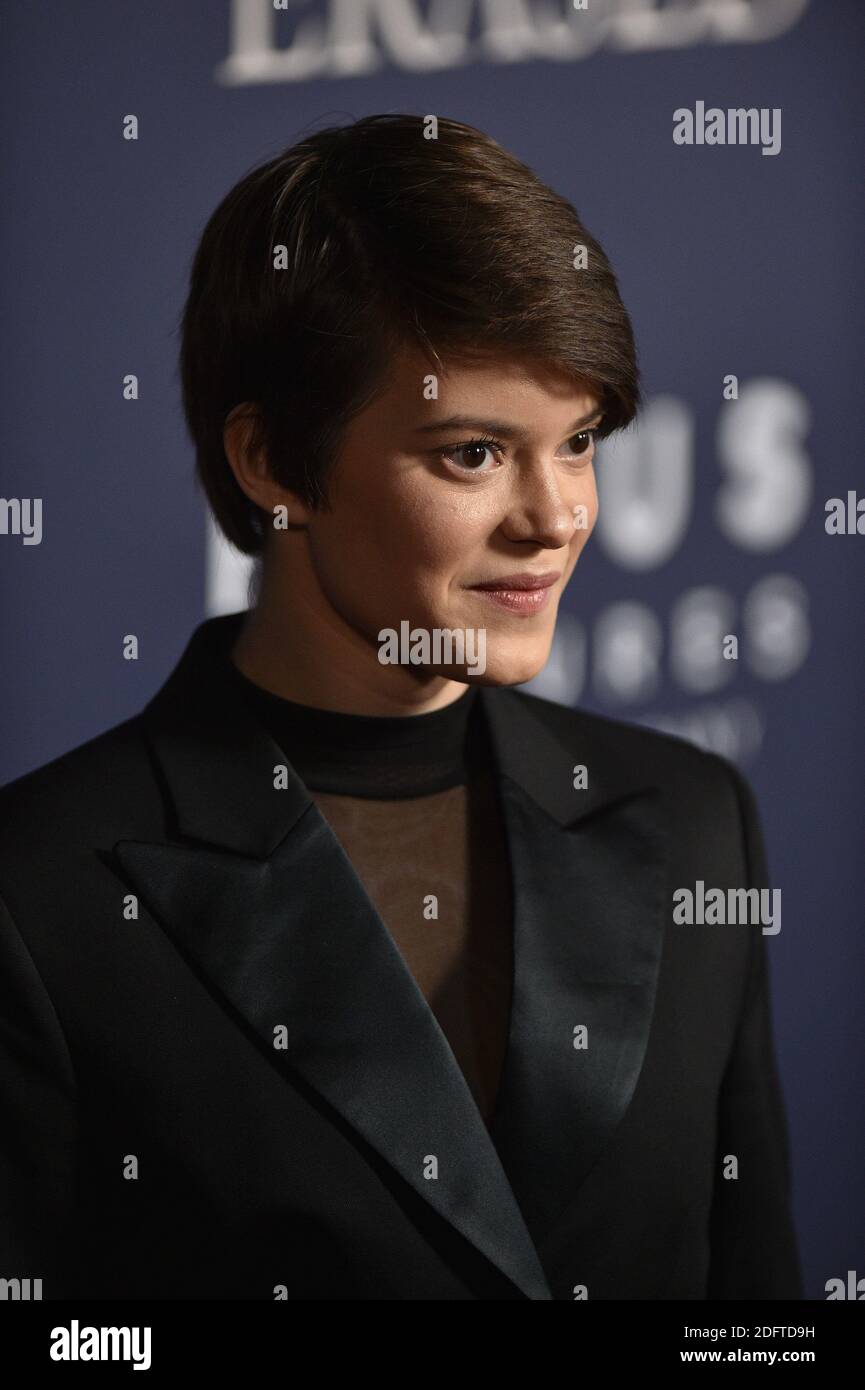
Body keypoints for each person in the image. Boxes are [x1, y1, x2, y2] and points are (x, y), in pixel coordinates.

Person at [0, 113, 801, 1300]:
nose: (558, 517)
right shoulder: (39, 898)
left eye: (577, 441)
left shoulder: (693, 817)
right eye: (473, 454)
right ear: (272, 463)